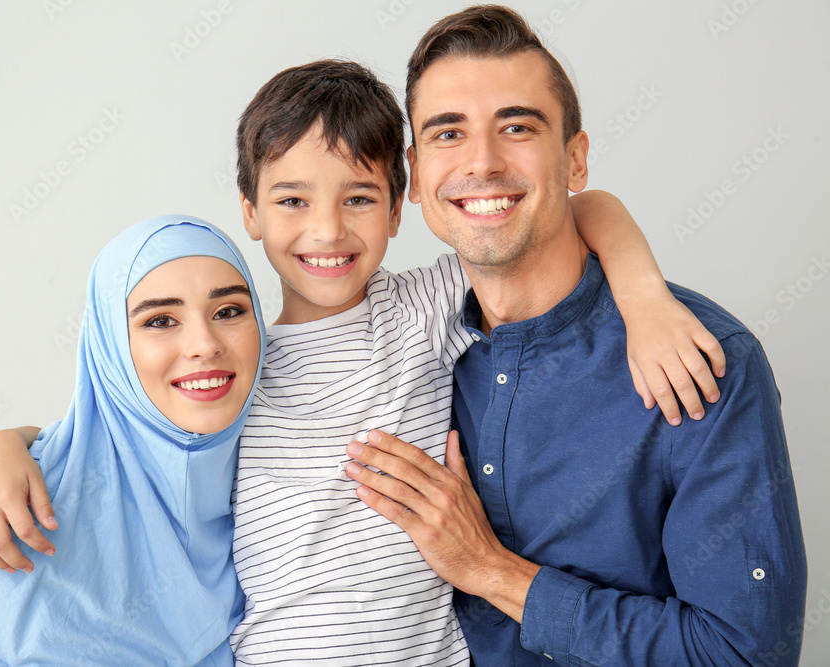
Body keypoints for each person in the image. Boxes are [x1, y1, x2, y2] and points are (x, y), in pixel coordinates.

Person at [0, 62, 727, 665]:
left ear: (401, 205)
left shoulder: (422, 307)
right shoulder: (233, 356)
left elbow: (579, 206)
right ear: (250, 212)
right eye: (292, 201)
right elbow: (120, 428)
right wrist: (4, 446)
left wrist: (645, 295)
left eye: (358, 198)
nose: (326, 229)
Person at [344, 6, 808, 666]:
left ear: (575, 158)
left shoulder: (701, 361)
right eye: (449, 133)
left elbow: (743, 653)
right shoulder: (399, 347)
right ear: (416, 175)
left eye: (517, 126)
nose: (483, 161)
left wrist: (490, 570)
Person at [0, 215, 265, 667]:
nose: (204, 344)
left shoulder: (284, 481)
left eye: (228, 312)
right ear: (108, 346)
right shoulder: (9, 520)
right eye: (161, 320)